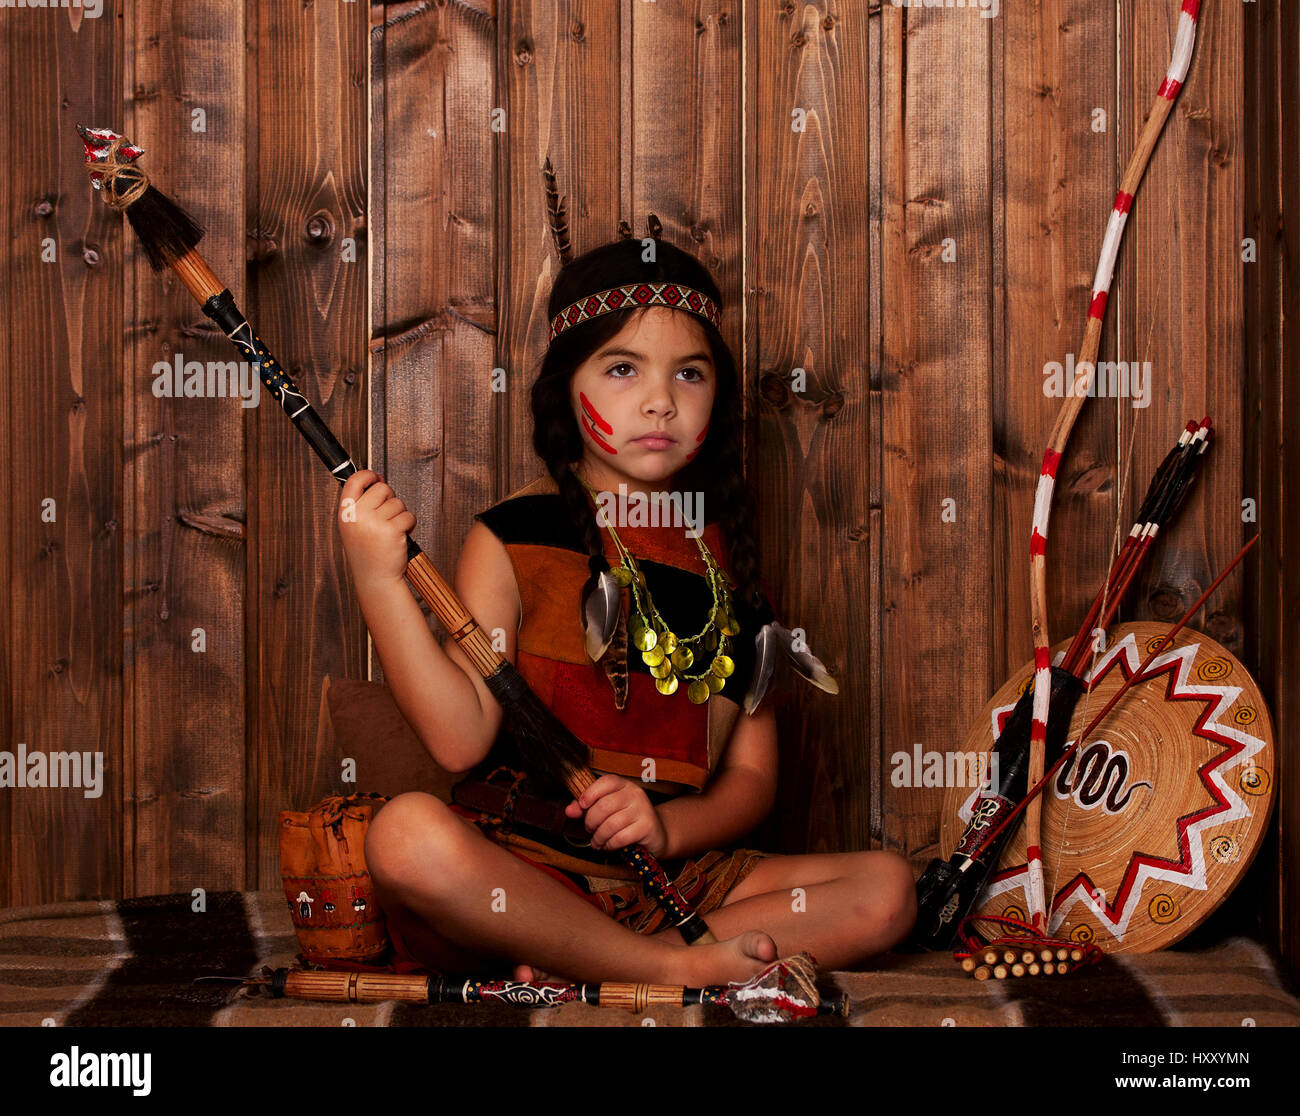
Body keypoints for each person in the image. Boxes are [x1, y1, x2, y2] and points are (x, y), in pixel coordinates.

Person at [342, 237, 915, 990]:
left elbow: (752, 779)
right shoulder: (512, 537)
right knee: (406, 837)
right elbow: (459, 739)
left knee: (887, 889)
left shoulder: (730, 572)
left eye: (690, 373)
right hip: (524, 879)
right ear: (564, 390)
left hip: (675, 883)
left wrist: (667, 825)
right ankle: (665, 970)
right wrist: (378, 581)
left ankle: (600, 962)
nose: (659, 400)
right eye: (621, 369)